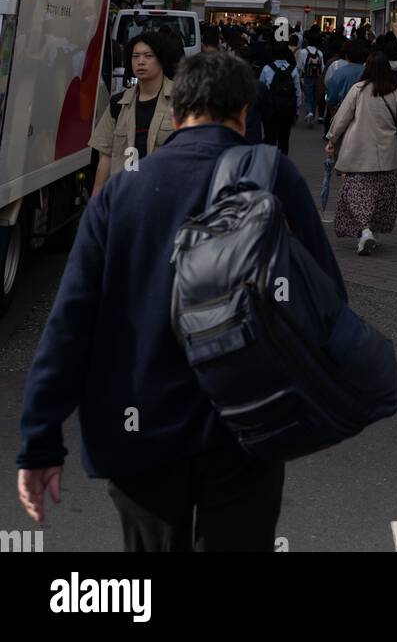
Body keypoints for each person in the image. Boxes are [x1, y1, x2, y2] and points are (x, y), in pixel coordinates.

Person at [17, 52, 345, 553]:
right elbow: (327, 297)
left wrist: (41, 439)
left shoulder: (121, 194)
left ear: (175, 115)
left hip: (140, 424)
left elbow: (70, 323)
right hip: (246, 422)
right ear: (244, 114)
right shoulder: (273, 175)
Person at [325, 52, 397, 255]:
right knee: (379, 196)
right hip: (385, 155)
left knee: (355, 194)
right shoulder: (395, 91)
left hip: (358, 154)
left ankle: (365, 232)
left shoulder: (358, 89)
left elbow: (341, 119)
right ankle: (368, 232)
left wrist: (331, 140)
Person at [90, 32, 179, 196]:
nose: (141, 62)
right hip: (125, 197)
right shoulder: (118, 104)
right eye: (135, 56)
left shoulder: (182, 101)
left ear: (161, 60)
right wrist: (95, 207)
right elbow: (106, 157)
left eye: (148, 56)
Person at [259, 40, 302, 153]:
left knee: (270, 138)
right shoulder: (293, 70)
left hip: (270, 110)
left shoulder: (267, 69)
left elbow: (260, 90)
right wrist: (297, 111)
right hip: (287, 110)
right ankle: (282, 164)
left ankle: (269, 165)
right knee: (284, 140)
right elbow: (298, 92)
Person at [326, 38, 368, 110]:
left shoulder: (339, 73)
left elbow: (331, 98)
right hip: (365, 111)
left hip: (343, 110)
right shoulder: (369, 71)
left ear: (347, 55)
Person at [299, 34, 325, 124]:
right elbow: (322, 67)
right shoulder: (320, 52)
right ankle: (313, 115)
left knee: (308, 95)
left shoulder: (303, 51)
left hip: (307, 76)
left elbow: (300, 65)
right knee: (314, 96)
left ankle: (309, 112)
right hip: (317, 77)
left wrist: (300, 76)